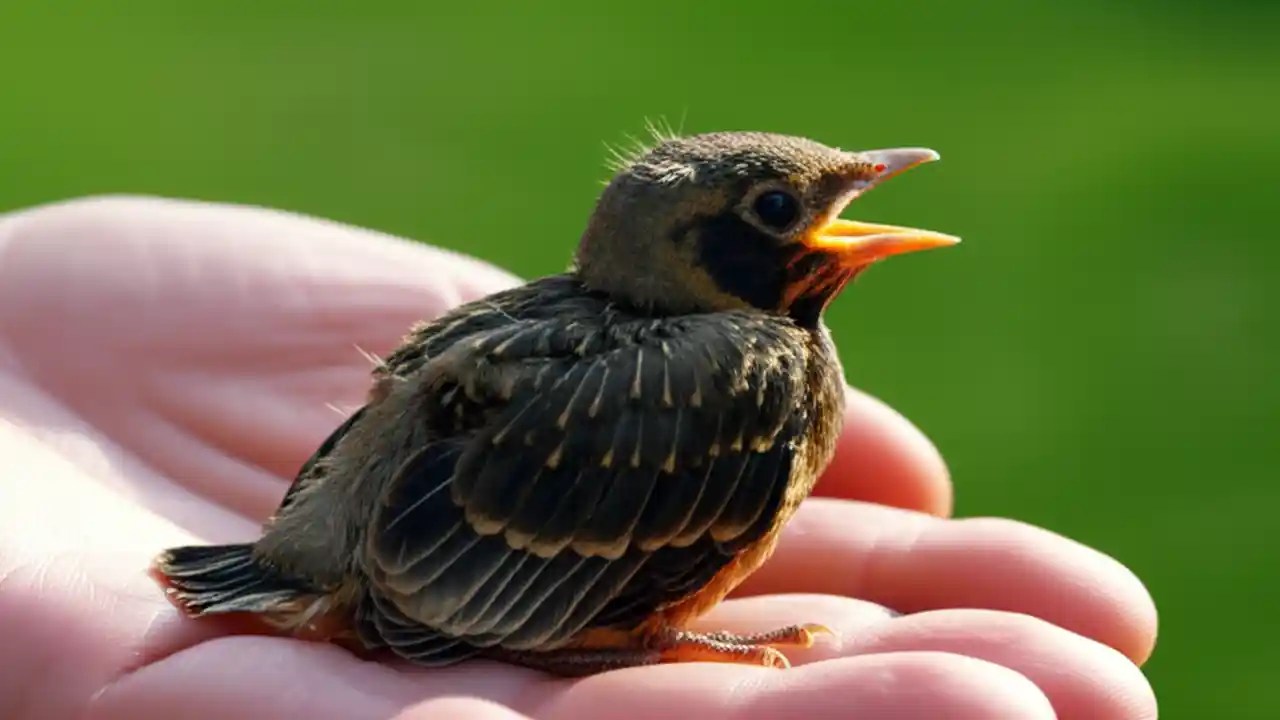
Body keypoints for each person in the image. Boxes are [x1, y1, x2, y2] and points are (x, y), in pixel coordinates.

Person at [0, 196, 1158, 719]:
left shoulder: (545, 319)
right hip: (446, 592)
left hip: (341, 555)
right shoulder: (755, 370)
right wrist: (631, 646)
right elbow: (620, 549)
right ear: (693, 250)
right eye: (770, 210)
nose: (824, 209)